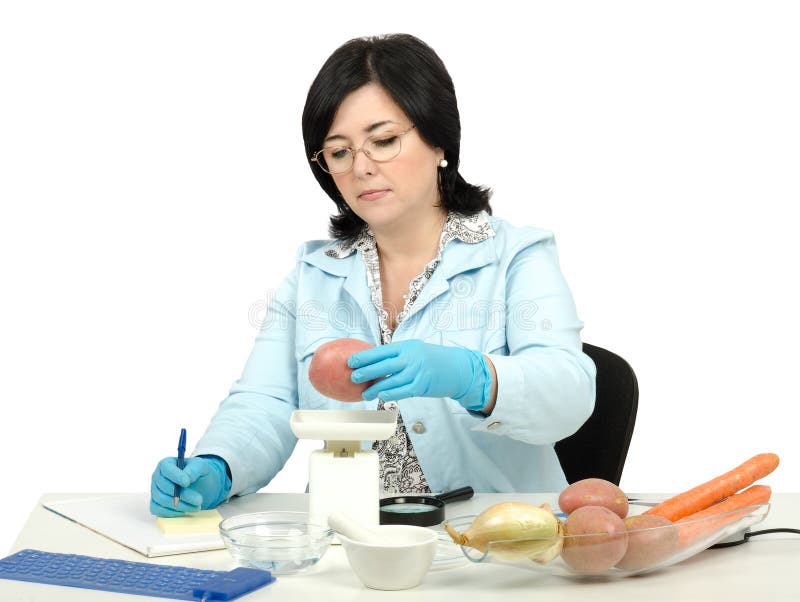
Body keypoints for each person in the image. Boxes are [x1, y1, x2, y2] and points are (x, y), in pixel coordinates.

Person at [150, 33, 596, 517]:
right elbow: (265, 401)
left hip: (490, 542)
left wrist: (474, 377)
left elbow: (570, 393)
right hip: (348, 537)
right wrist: (218, 464)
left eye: (383, 141)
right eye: (339, 152)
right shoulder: (313, 274)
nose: (361, 167)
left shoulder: (517, 255)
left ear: (439, 139)